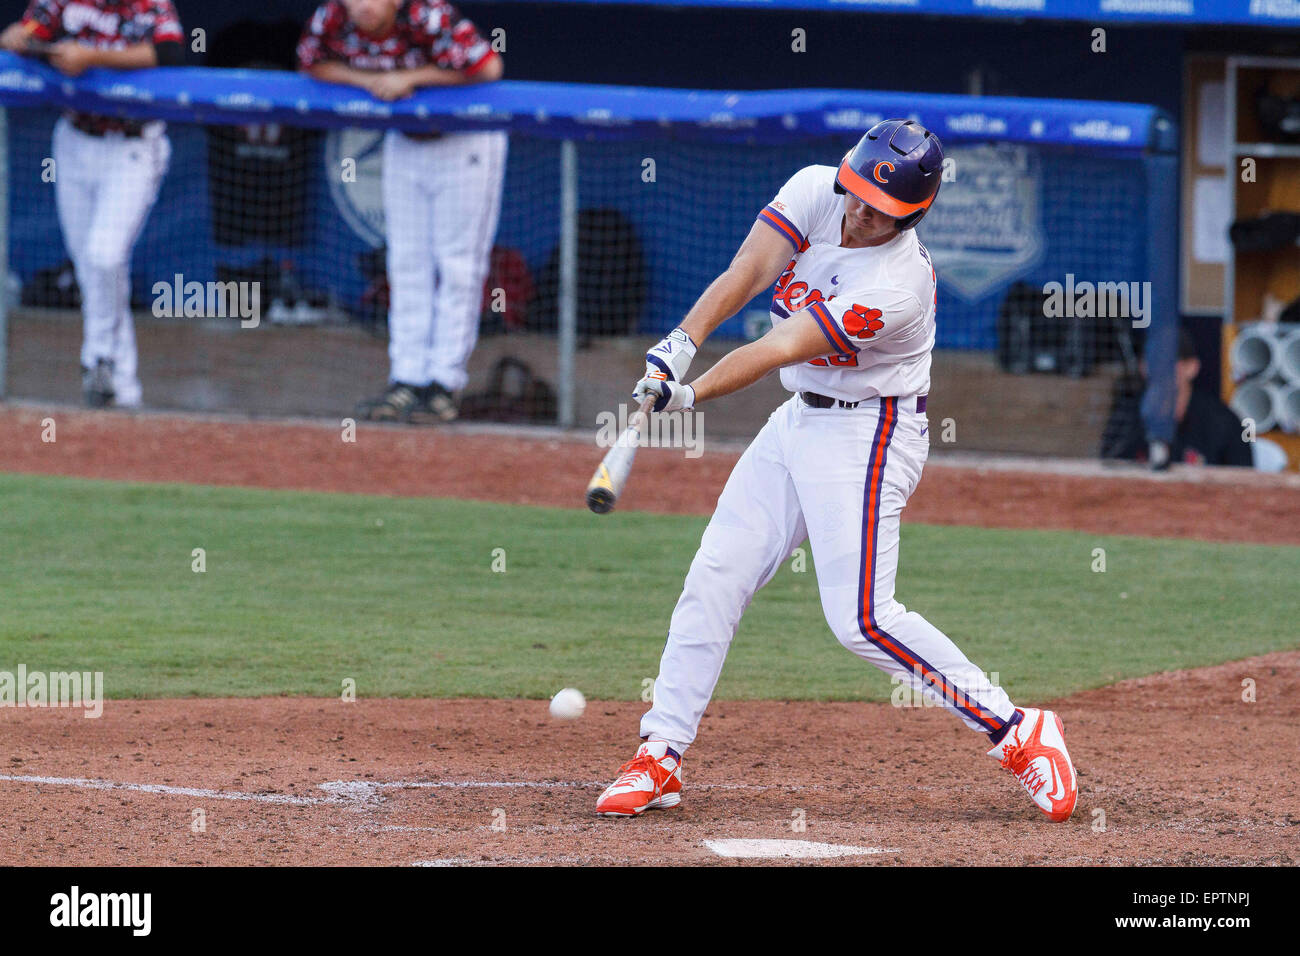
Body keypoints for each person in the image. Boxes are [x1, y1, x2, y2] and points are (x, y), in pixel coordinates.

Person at [596, 120, 1078, 823]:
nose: (856, 212)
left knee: (862, 619)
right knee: (716, 574)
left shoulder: (899, 287)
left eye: (877, 208)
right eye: (854, 193)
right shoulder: (817, 189)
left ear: (913, 213)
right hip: (798, 422)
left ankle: (1017, 730)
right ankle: (660, 753)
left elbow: (781, 342)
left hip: (870, 429)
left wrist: (691, 394)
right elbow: (748, 272)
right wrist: (681, 342)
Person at [297, 0, 505, 423]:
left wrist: (409, 77)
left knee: (457, 266)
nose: (361, 7)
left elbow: (487, 68)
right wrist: (369, 80)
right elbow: (310, 62)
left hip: (465, 138)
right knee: (406, 261)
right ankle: (406, 378)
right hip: (405, 140)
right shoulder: (333, 17)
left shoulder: (428, 14)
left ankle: (443, 384)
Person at [1, 0, 184, 409]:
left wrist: (91, 57)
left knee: (105, 255)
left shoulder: (149, 5)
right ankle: (122, 388)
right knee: (91, 268)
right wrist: (20, 38)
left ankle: (97, 358)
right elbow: (29, 30)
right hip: (74, 140)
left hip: (134, 145)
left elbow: (170, 51)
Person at [1101, 329, 1253, 467]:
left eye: (1167, 361)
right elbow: (1110, 467)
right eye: (1152, 361)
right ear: (1142, 367)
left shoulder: (1224, 421)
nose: (1159, 369)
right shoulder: (1127, 416)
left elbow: (1244, 480)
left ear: (1192, 367)